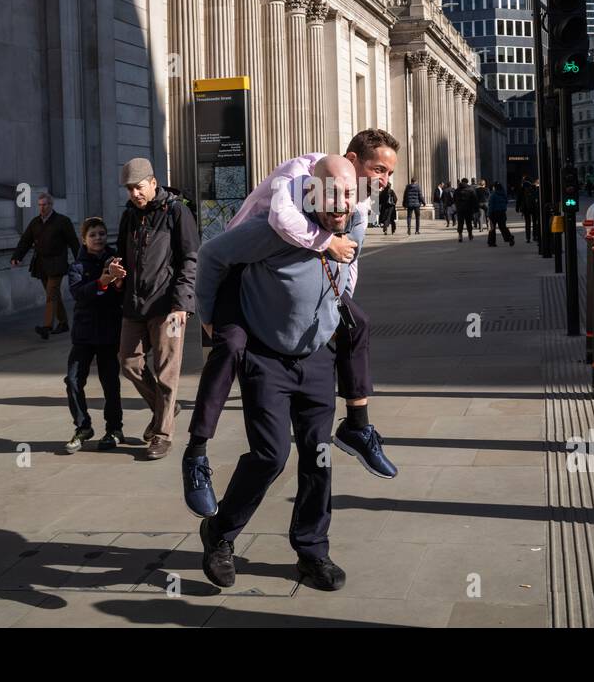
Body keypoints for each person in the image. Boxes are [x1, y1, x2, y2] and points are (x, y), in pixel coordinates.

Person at [180, 130, 400, 519]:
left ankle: (357, 426)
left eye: (388, 173)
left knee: (357, 323)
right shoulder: (299, 178)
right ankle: (196, 453)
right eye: (378, 169)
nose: (383, 179)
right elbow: (279, 221)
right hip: (241, 270)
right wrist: (208, 317)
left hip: (310, 345)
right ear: (350, 160)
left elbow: (352, 262)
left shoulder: (359, 205)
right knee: (230, 346)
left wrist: (337, 304)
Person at [194, 155, 365, 592]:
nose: (341, 205)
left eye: (348, 195)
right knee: (270, 455)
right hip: (266, 357)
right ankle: (220, 533)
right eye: (331, 196)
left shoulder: (354, 220)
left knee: (318, 456)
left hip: (316, 358)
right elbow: (213, 254)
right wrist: (208, 318)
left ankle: (312, 551)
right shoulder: (274, 229)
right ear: (312, 191)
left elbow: (348, 275)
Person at [115, 158, 199, 461]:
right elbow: (120, 254)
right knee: (128, 362)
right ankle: (165, 408)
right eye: (129, 189)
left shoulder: (177, 212)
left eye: (138, 187)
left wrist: (182, 304)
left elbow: (190, 259)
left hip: (169, 307)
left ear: (153, 182)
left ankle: (163, 435)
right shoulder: (129, 216)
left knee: (167, 371)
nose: (134, 194)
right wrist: (113, 268)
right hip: (134, 305)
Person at [63, 217, 126, 453]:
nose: (98, 238)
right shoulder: (76, 268)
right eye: (93, 235)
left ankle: (114, 428)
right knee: (72, 380)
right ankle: (83, 426)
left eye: (101, 233)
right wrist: (101, 282)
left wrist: (118, 282)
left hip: (109, 331)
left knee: (110, 383)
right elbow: (79, 294)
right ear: (84, 239)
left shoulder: (116, 261)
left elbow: (124, 295)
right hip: (84, 333)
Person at [11, 191, 80, 340]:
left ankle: (47, 326)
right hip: (41, 264)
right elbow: (25, 241)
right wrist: (17, 257)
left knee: (51, 294)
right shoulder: (35, 222)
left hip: (57, 263)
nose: (42, 208)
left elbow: (74, 242)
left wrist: (80, 261)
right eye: (40, 205)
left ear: (51, 205)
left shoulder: (62, 221)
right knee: (54, 295)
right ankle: (63, 323)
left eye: (45, 205)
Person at [487, 182, 515, 247]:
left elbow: (491, 205)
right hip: (502, 212)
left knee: (492, 228)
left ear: (495, 187)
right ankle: (509, 237)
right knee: (502, 227)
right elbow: (506, 202)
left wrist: (488, 214)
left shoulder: (493, 194)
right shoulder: (503, 194)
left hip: (494, 213)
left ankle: (492, 242)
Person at [454, 177, 478, 242]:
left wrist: (457, 205)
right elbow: (474, 200)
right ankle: (470, 234)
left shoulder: (457, 190)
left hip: (460, 209)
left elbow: (454, 199)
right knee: (468, 222)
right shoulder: (471, 189)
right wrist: (475, 209)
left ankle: (460, 235)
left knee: (460, 222)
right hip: (468, 209)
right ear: (467, 182)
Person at [517, 176, 540, 243]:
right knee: (535, 222)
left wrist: (517, 208)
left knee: (527, 223)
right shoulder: (534, 187)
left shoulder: (522, 188)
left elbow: (519, 199)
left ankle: (528, 238)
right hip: (534, 207)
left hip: (525, 208)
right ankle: (535, 236)